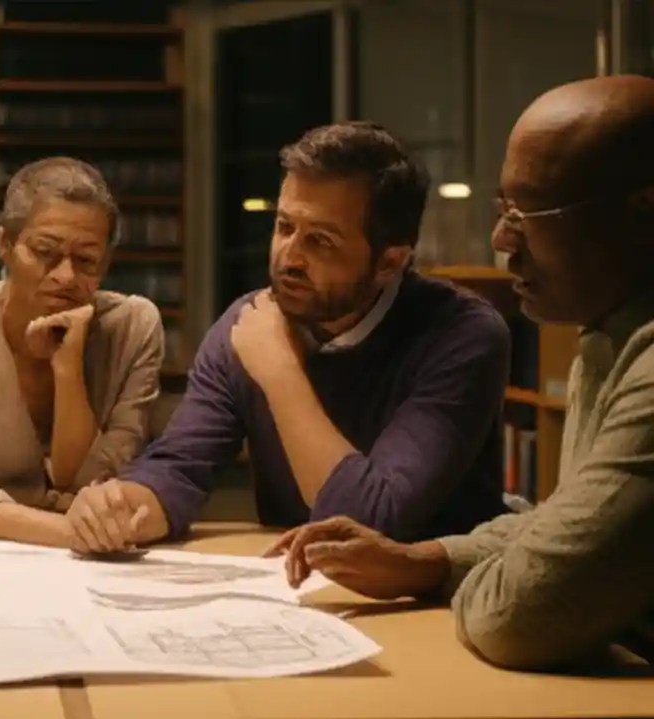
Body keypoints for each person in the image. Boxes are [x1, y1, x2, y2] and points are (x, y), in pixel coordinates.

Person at [270, 75, 654, 671]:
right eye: (504, 210)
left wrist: (498, 578)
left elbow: (520, 618)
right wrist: (424, 562)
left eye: (530, 214)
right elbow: (561, 523)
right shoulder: (607, 336)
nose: (503, 241)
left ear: (643, 210)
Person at [67, 122, 510, 553]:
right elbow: (181, 467)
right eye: (284, 227)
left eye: (320, 240)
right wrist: (125, 505)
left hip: (438, 604)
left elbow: (371, 524)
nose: (289, 257)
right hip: (302, 594)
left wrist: (280, 372)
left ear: (389, 262)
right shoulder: (249, 324)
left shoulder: (463, 336)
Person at [0, 157, 164, 546]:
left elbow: (99, 481)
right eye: (45, 253)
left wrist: (68, 370)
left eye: (86, 261)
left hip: (94, 563)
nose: (66, 277)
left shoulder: (133, 326)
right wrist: (70, 533)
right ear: (4, 244)